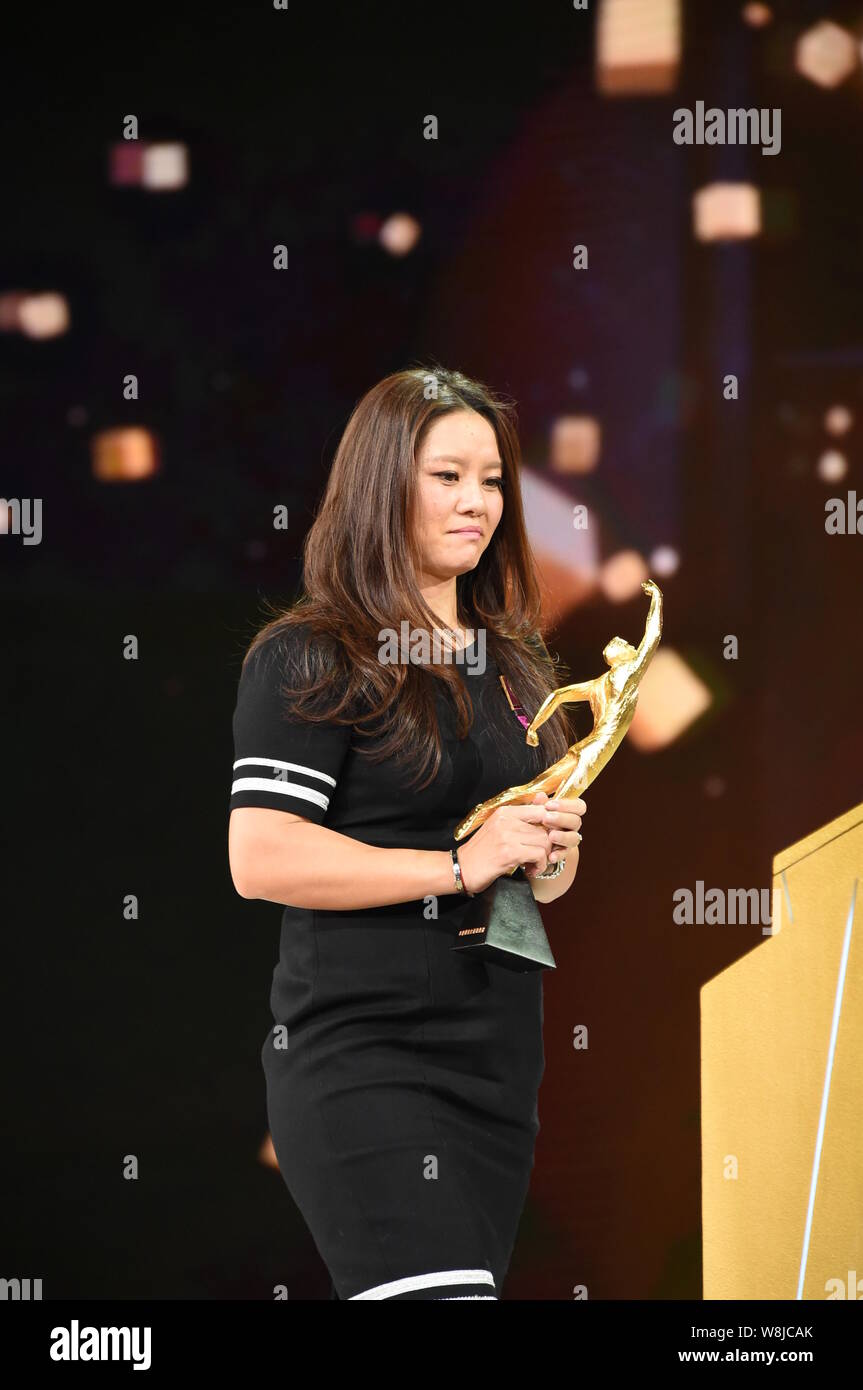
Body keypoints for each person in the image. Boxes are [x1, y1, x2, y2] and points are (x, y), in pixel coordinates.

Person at [228, 364, 587, 1300]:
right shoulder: (313, 654)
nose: (478, 502)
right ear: (383, 483)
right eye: (447, 477)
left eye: (493, 480)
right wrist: (465, 862)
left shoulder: (514, 664)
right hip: (360, 1053)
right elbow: (260, 857)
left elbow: (538, 885)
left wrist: (546, 854)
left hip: (497, 1067)